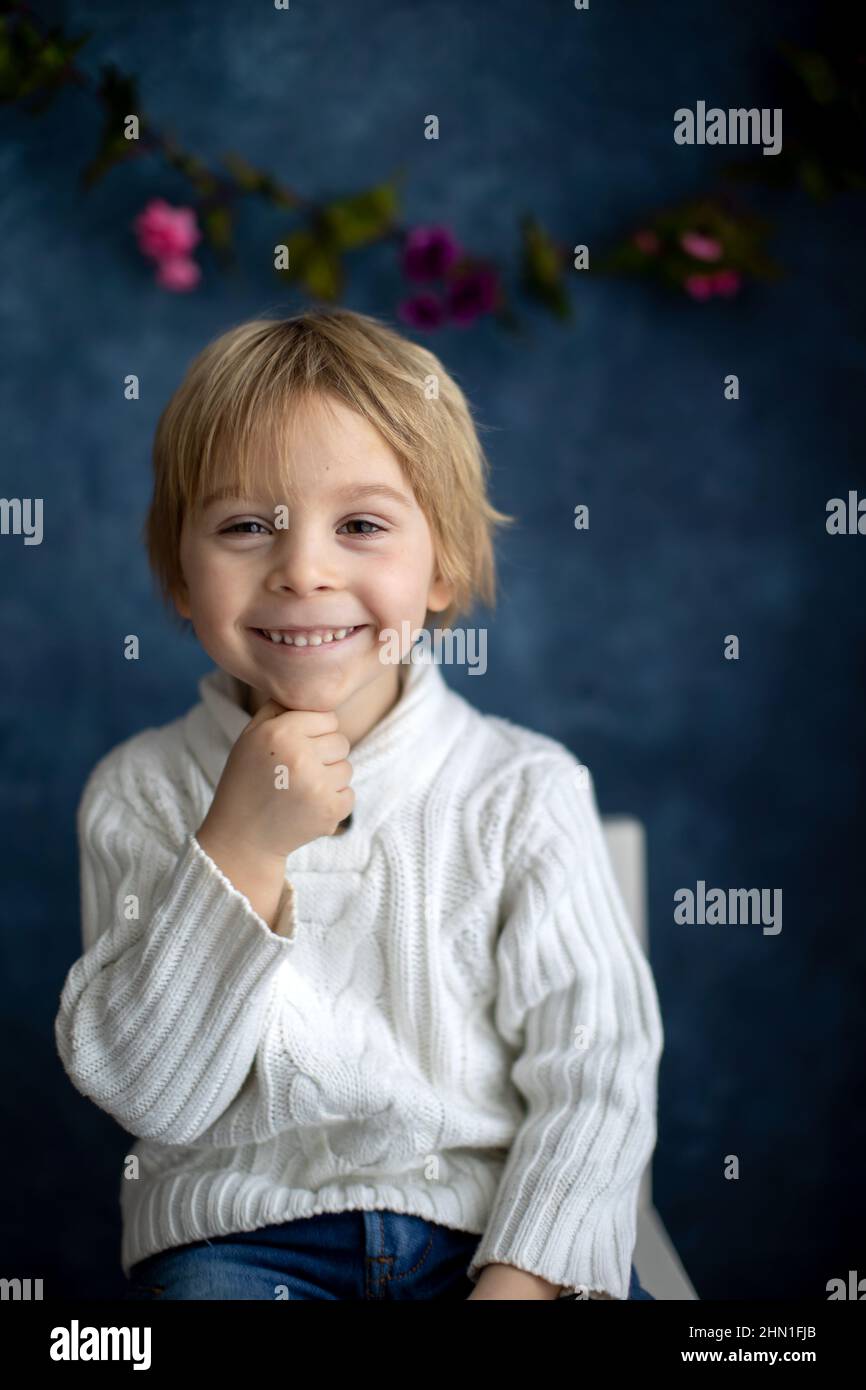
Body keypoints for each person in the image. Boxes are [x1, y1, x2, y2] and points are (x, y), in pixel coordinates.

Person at [54, 308, 664, 1301]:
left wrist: (518, 1280)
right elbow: (145, 1090)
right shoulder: (142, 790)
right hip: (244, 1248)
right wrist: (238, 851)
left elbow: (596, 1070)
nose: (302, 570)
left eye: (362, 526)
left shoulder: (523, 790)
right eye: (246, 525)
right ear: (178, 570)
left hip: (491, 1238)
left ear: (445, 564)